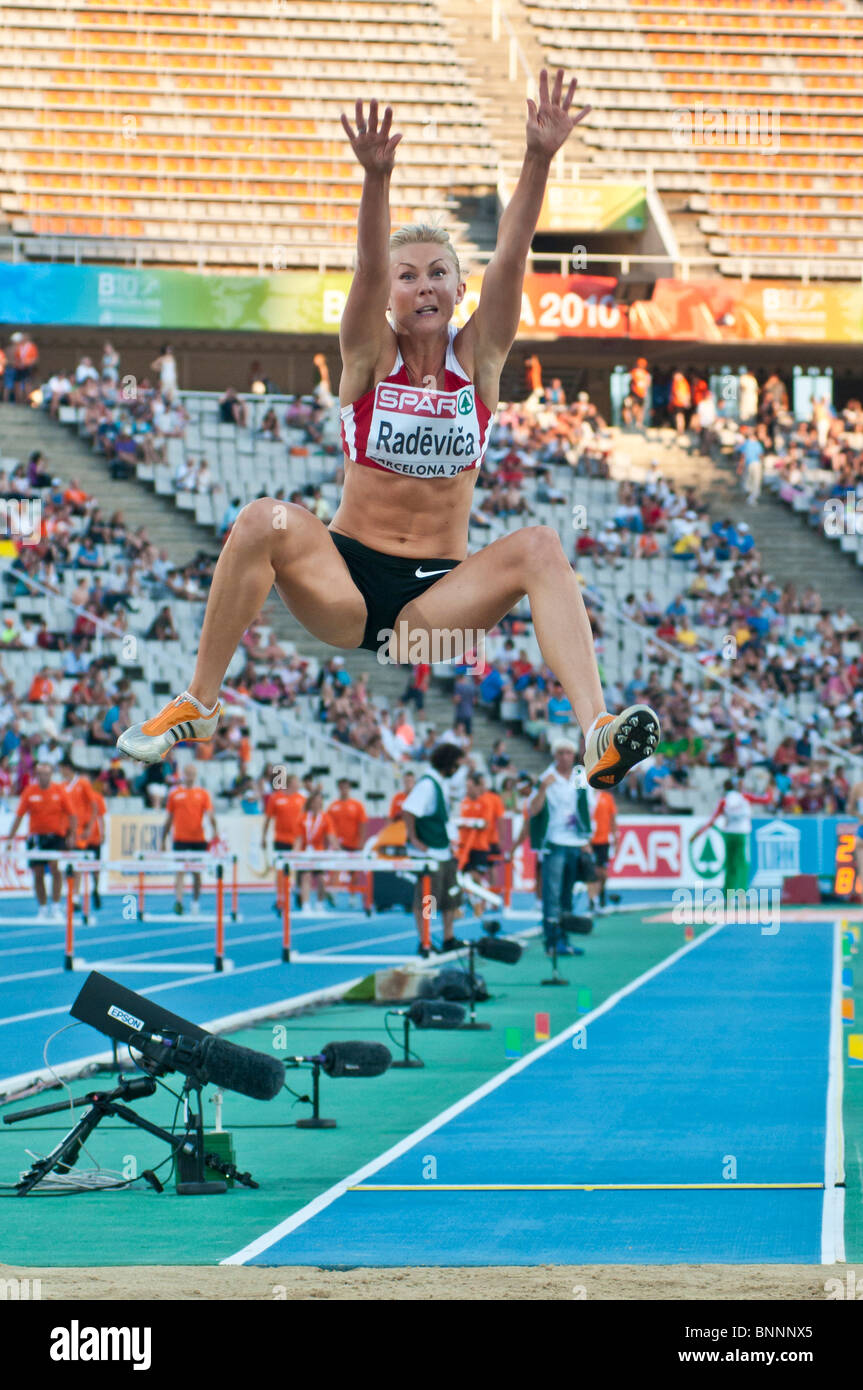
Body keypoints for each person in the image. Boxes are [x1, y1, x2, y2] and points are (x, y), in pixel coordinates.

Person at [117, 73, 659, 792]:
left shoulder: (481, 363)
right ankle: (200, 702)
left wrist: (538, 160)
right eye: (409, 277)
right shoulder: (367, 359)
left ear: (459, 291)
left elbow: (510, 258)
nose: (424, 285)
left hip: (437, 611)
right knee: (260, 520)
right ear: (393, 297)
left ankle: (595, 730)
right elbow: (366, 270)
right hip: (344, 589)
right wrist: (377, 179)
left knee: (540, 546)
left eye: (439, 273)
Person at [528, 737, 596, 956]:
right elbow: (533, 810)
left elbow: (588, 806)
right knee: (552, 893)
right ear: (555, 755)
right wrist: (542, 789)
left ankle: (564, 939)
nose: (565, 757)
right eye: (561, 753)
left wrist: (586, 838)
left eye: (568, 753)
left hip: (575, 841)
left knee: (567, 894)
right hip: (555, 841)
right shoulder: (546, 777)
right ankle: (551, 940)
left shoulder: (579, 776)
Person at [401, 741, 466, 954]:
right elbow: (408, 810)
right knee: (429, 900)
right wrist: (414, 839)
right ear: (447, 763)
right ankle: (425, 941)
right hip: (430, 853)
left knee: (451, 897)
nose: (456, 770)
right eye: (455, 765)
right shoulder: (427, 785)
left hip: (443, 850)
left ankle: (448, 938)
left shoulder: (440, 783)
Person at [5, 762, 77, 921]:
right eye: (40, 774)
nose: (43, 777)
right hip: (36, 838)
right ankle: (43, 908)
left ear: (51, 775)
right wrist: (10, 838)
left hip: (56, 837)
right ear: (36, 776)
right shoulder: (29, 792)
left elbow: (72, 814)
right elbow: (19, 816)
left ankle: (56, 906)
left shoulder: (59, 790)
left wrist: (72, 835)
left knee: (55, 869)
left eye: (46, 774)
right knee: (38, 874)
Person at [691, 777, 773, 893]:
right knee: (743, 864)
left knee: (730, 864)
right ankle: (742, 894)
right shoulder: (745, 797)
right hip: (742, 834)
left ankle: (727, 896)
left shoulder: (724, 801)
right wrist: (770, 788)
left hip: (729, 834)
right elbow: (767, 800)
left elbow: (712, 820)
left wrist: (697, 834)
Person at [161, 763, 218, 916]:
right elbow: (169, 818)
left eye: (193, 773)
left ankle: (195, 901)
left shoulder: (203, 794)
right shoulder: (174, 794)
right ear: (183, 775)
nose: (190, 776)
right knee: (179, 871)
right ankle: (179, 901)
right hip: (180, 838)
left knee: (196, 873)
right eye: (188, 773)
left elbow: (210, 814)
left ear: (196, 775)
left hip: (198, 839)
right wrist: (163, 838)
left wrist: (215, 831)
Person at [262, 772, 305, 905]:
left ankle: (299, 891)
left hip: (297, 840)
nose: (298, 785)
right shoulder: (275, 798)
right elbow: (268, 819)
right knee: (280, 869)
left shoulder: (302, 799)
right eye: (296, 782)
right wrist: (263, 837)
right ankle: (280, 898)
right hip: (281, 839)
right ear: (290, 783)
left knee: (300, 870)